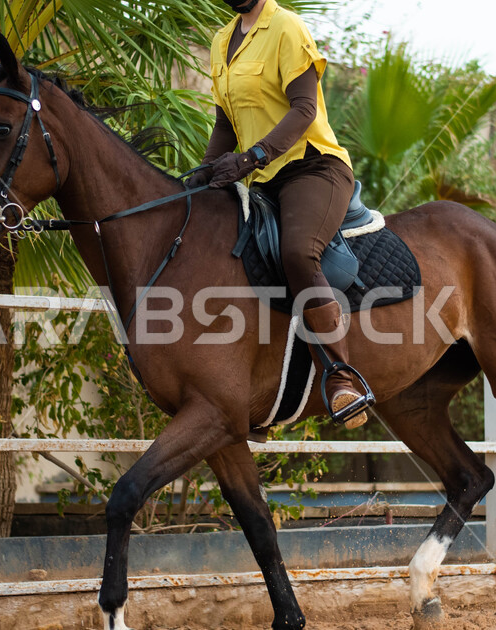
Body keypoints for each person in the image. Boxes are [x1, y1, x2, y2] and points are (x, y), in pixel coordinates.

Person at [189, 0, 372, 429]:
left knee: (297, 252)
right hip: (261, 178)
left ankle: (341, 378)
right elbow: (225, 125)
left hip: (313, 168)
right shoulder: (221, 41)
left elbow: (304, 109)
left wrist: (252, 156)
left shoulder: (286, 27)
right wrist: (203, 173)